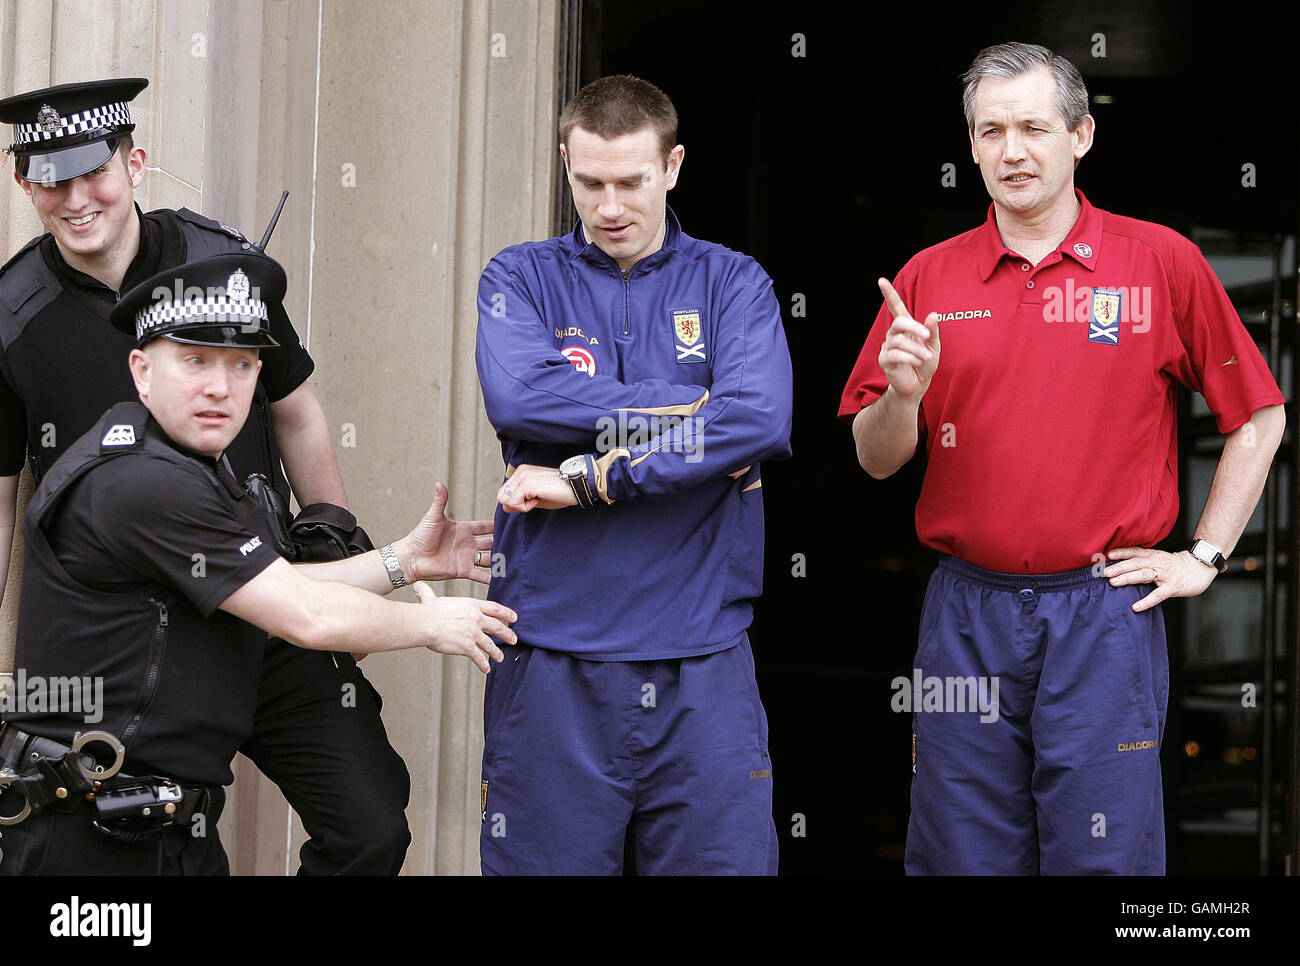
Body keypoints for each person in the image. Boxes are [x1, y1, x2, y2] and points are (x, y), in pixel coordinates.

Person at [838, 42, 1286, 875]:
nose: (1013, 151)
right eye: (992, 130)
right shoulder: (928, 278)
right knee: (959, 856)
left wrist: (1206, 556)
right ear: (970, 147)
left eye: (1034, 128)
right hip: (966, 614)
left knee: (1102, 859)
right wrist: (902, 397)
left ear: (1081, 135)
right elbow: (874, 460)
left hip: (1102, 616)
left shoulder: (1160, 262)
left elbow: (1259, 414)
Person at [0, 78, 412, 873]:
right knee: (144, 843)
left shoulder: (224, 262)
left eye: (95, 172)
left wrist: (328, 529)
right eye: (50, 178)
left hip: (265, 596)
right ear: (24, 183)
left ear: (136, 164)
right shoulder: (11, 314)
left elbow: (295, 409)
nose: (76, 198)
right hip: (129, 639)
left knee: (371, 826)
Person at [0, 249, 516, 875]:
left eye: (242, 365)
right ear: (140, 370)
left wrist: (403, 561)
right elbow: (305, 616)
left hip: (157, 828)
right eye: (195, 361)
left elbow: (271, 585)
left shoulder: (179, 462)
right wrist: (435, 626)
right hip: (88, 843)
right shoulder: (143, 483)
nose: (221, 387)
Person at [474, 74, 792, 875]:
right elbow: (522, 399)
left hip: (703, 659)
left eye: (631, 181)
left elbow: (758, 419)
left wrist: (594, 476)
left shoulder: (734, 282)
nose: (610, 205)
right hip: (551, 659)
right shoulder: (518, 277)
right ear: (563, 165)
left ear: (673, 166)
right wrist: (693, 407)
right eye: (589, 183)